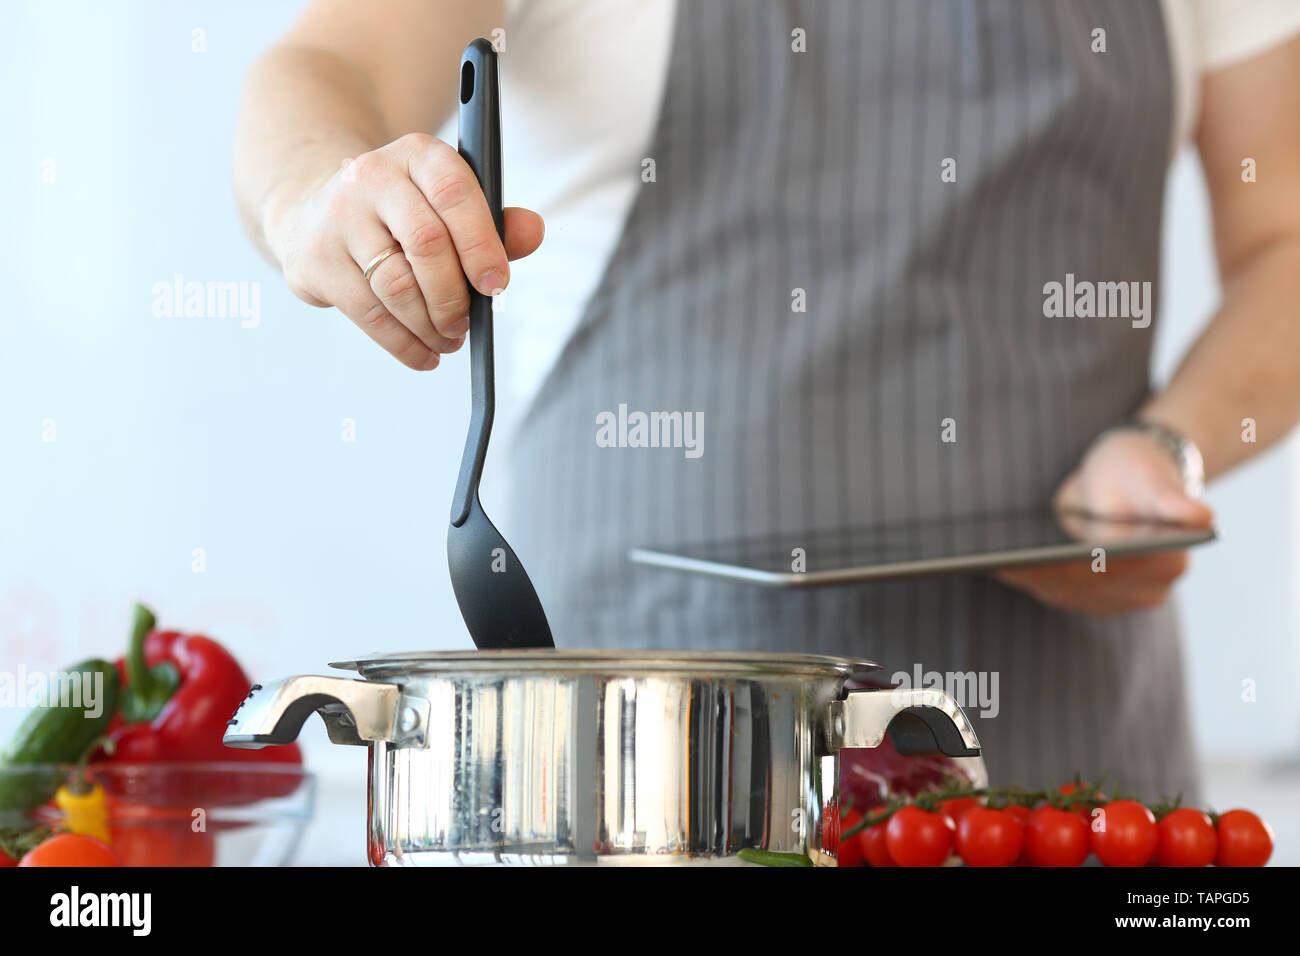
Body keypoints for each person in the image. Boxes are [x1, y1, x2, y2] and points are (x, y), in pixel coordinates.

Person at [234, 0, 1300, 800]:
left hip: (1066, 771)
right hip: (637, 777)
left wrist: (1173, 445)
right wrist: (317, 197)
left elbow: (1283, 237)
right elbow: (325, 68)